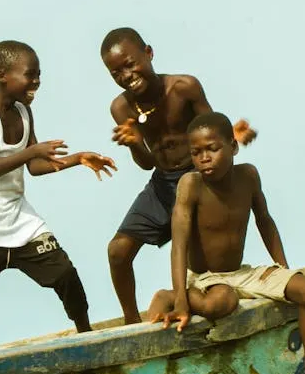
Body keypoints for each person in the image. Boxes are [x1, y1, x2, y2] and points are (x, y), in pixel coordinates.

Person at [147, 112, 305, 374]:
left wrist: (284, 271)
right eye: (196, 152)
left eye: (212, 149)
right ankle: (174, 295)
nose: (203, 158)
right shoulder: (190, 185)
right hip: (204, 279)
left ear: (233, 146)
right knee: (223, 302)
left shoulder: (249, 176)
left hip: (242, 272)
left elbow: (265, 221)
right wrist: (180, 300)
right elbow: (178, 243)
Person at [0, 40, 117, 354]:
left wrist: (76, 159)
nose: (36, 82)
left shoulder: (24, 110)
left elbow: (33, 166)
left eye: (38, 75)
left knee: (64, 272)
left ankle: (87, 336)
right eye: (30, 75)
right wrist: (33, 149)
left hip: (18, 216)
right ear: (2, 75)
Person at [101, 27, 256, 324]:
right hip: (162, 182)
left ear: (149, 53)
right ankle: (132, 325)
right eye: (116, 72)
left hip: (199, 179)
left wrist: (234, 136)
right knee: (118, 251)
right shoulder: (121, 107)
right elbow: (147, 163)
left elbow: (213, 132)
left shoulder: (184, 88)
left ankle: (184, 297)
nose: (126, 75)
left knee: (204, 258)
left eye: (131, 64)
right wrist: (135, 143)